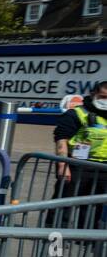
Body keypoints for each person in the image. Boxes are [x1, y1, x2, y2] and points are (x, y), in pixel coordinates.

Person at [51, 80, 107, 230]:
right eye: (103, 96)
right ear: (93, 94)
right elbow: (61, 138)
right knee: (64, 205)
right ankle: (56, 236)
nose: (105, 101)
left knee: (95, 208)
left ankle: (86, 239)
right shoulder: (77, 113)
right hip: (77, 166)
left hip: (103, 169)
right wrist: (63, 165)